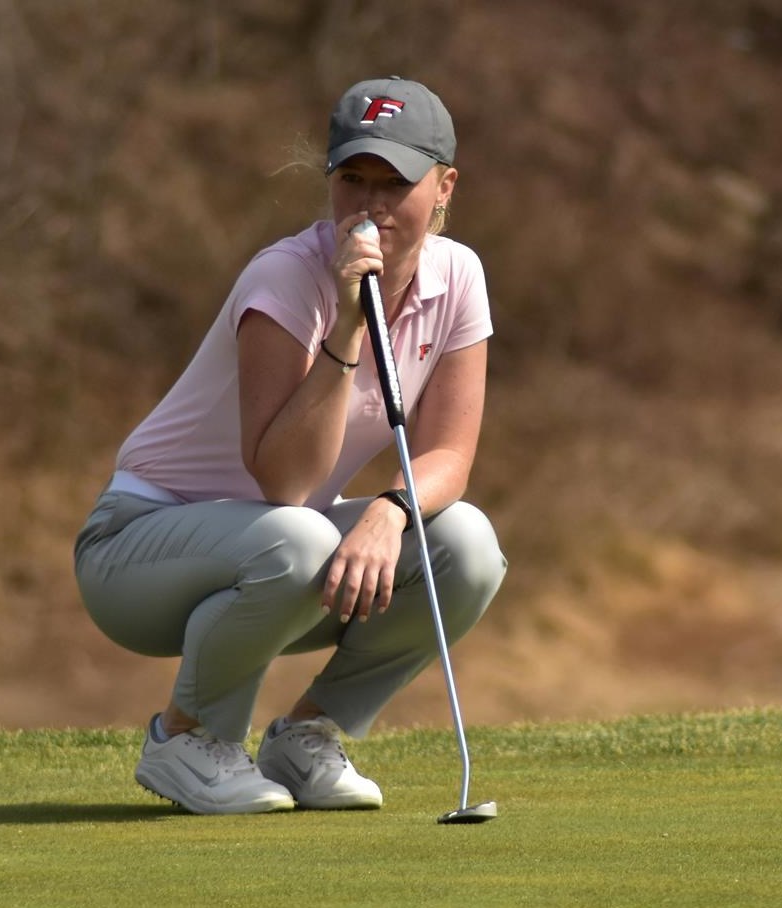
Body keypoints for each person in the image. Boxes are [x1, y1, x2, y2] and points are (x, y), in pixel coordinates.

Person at [72, 77, 506, 815]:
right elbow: (285, 480)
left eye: (394, 183)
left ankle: (306, 735)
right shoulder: (285, 276)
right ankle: (184, 738)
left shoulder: (458, 275)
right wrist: (347, 325)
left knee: (464, 546)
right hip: (135, 549)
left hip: (277, 552)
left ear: (444, 187)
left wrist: (390, 511)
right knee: (301, 536)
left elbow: (448, 458)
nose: (369, 204)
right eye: (352, 179)